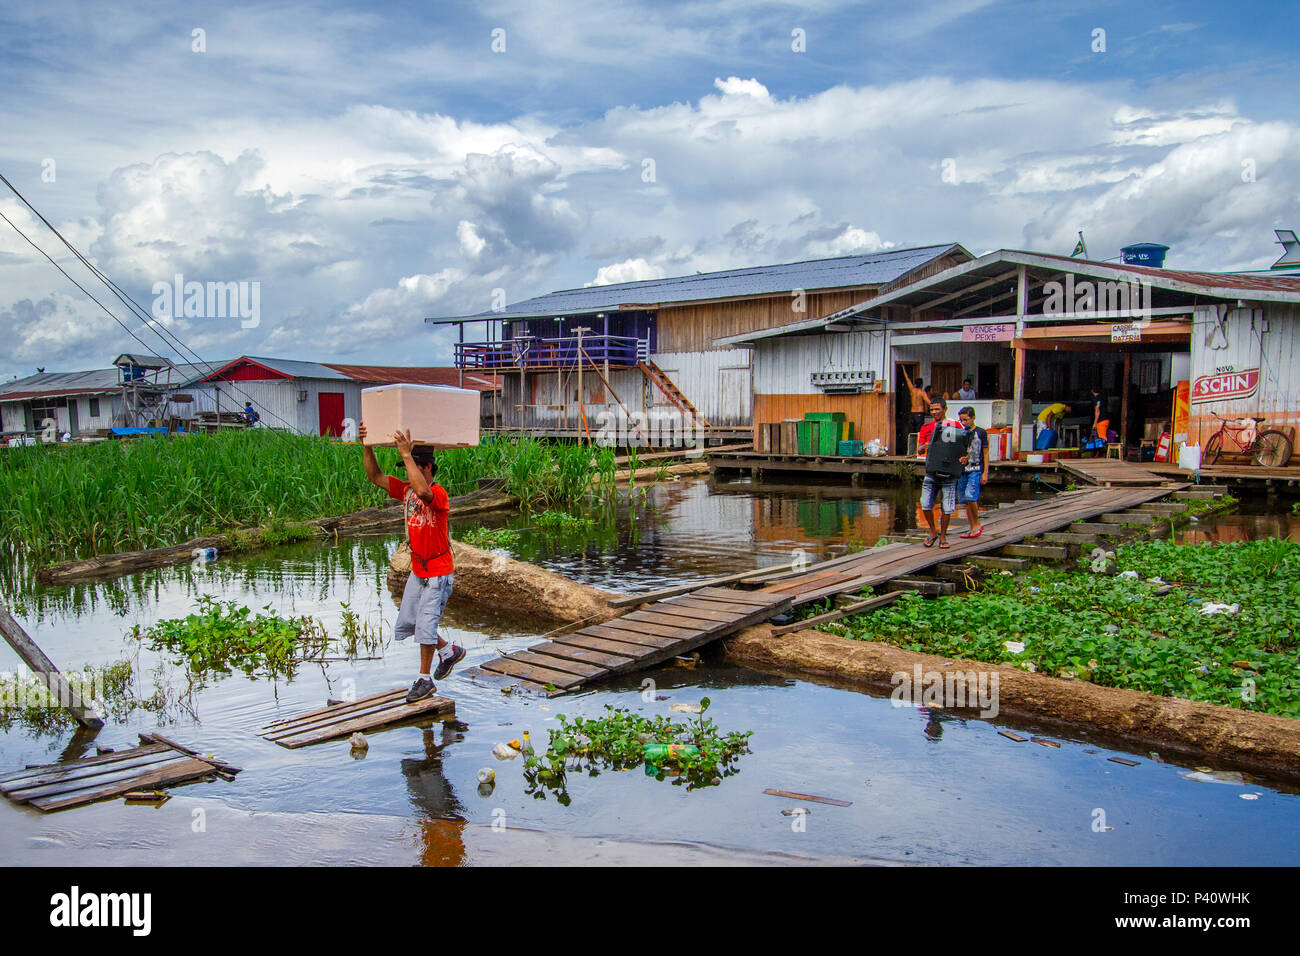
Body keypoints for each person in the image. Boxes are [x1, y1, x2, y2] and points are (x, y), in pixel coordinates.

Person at [359, 422, 465, 703]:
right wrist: (367, 446)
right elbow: (375, 476)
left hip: (439, 571)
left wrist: (407, 455)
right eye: (408, 465)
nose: (407, 471)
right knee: (412, 622)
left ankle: (424, 680)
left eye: (413, 466)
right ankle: (448, 651)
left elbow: (424, 493)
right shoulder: (406, 489)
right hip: (419, 571)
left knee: (426, 625)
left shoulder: (438, 494)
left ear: (427, 467)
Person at [917, 398, 970, 549]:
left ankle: (943, 535)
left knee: (947, 507)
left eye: (937, 409)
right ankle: (933, 531)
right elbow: (919, 449)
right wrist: (927, 445)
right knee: (926, 504)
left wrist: (966, 457)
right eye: (931, 410)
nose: (934, 412)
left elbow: (965, 446)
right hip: (932, 471)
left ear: (944, 409)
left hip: (950, 472)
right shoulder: (926, 427)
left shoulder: (955, 425)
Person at [957, 406, 989, 538]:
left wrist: (985, 472)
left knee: (971, 496)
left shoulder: (981, 432)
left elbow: (986, 453)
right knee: (964, 500)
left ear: (973, 418)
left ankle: (976, 524)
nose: (964, 423)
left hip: (976, 469)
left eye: (966, 420)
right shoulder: (961, 433)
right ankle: (971, 527)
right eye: (961, 420)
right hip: (963, 470)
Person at [900, 367, 930, 444]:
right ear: (922, 384)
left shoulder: (912, 390)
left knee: (911, 432)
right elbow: (928, 402)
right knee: (919, 432)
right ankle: (918, 448)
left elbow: (907, 379)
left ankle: (911, 449)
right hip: (919, 413)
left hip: (912, 413)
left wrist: (903, 368)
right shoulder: (922, 392)